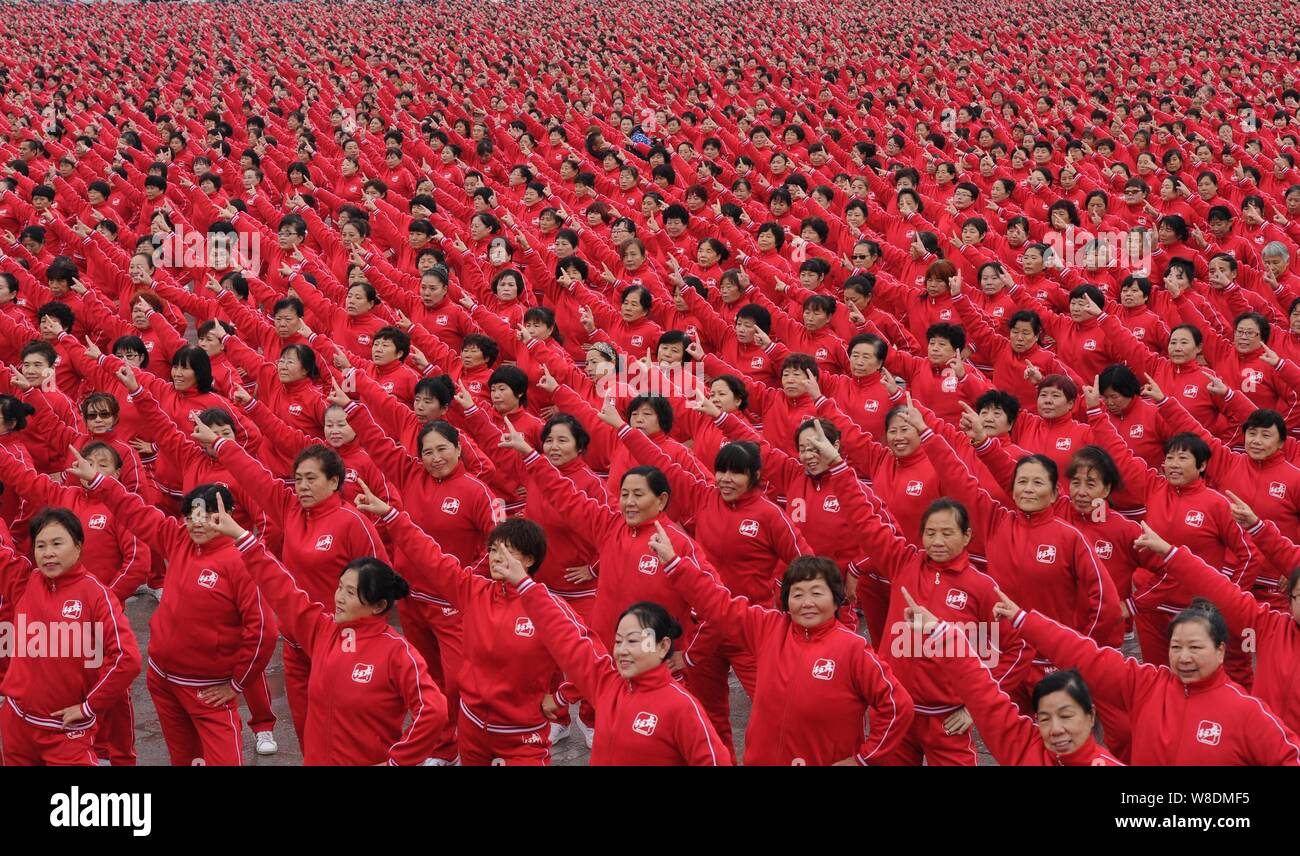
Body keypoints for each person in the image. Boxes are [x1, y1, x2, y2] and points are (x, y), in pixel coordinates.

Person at [994, 539, 1300, 765]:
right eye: (1176, 647)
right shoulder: (1145, 683)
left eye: (1196, 647)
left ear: (1221, 652)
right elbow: (1085, 655)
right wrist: (1025, 620)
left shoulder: (1246, 711)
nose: (1184, 657)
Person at [206, 493, 448, 765]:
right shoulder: (323, 629)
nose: (340, 598)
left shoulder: (398, 653)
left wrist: (398, 762)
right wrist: (241, 536)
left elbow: (434, 711)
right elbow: (283, 588)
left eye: (351, 593)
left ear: (379, 605)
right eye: (340, 587)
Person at [69, 449, 276, 766]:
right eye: (191, 515)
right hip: (163, 679)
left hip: (207, 689)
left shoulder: (242, 561)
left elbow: (262, 631)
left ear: (229, 514)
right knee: (184, 759)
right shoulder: (177, 538)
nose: (198, 523)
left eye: (209, 515)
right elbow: (134, 510)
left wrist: (236, 683)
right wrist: (98, 480)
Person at [652, 527, 914, 765]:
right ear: (786, 601)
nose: (807, 602)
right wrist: (676, 565)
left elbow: (897, 705)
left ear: (836, 602)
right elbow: (719, 605)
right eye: (797, 594)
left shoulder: (853, 649)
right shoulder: (767, 628)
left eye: (817, 593)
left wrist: (862, 759)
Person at [354, 482, 562, 765]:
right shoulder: (473, 590)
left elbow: (589, 654)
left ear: (529, 559)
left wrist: (562, 699)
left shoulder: (547, 607)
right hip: (473, 726)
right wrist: (392, 515)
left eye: (507, 551)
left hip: (522, 735)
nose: (497, 558)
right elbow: (431, 557)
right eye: (493, 550)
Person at [494, 551, 730, 765]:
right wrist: (526, 586)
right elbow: (568, 638)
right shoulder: (607, 685)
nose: (623, 650)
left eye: (634, 640)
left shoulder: (681, 707)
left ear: (662, 645)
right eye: (618, 641)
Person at [905, 592, 1122, 765]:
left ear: (1091, 716)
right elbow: (984, 696)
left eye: (1066, 716)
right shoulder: (1026, 747)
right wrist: (941, 634)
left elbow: (1087, 654)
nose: (1056, 729)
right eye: (1044, 719)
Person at [0, 508, 141, 765]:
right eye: (40, 545)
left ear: (78, 546)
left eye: (57, 543)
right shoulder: (26, 581)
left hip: (66, 731)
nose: (48, 553)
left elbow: (126, 657)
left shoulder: (96, 594)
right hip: (17, 725)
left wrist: (89, 707)